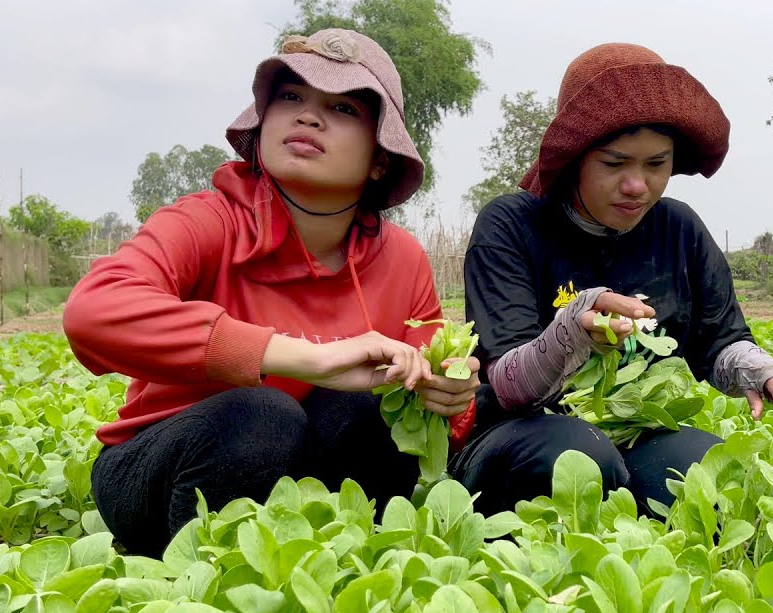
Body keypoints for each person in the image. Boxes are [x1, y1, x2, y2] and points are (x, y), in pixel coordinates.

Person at [62, 29, 479, 557]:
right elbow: (95, 311)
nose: (307, 116)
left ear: (380, 157)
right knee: (264, 416)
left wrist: (450, 395)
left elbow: (437, 418)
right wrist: (305, 358)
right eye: (290, 97)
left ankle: (336, 557)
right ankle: (203, 569)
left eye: (343, 107)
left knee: (375, 409)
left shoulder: (402, 259)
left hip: (303, 476)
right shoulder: (206, 221)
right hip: (160, 466)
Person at [455, 42, 773, 516]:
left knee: (708, 476)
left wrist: (761, 369)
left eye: (656, 164)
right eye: (615, 163)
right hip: (518, 432)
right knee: (576, 458)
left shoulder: (678, 229)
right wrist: (572, 329)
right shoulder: (512, 224)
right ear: (576, 157)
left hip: (633, 428)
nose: (637, 185)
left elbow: (720, 341)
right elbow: (508, 384)